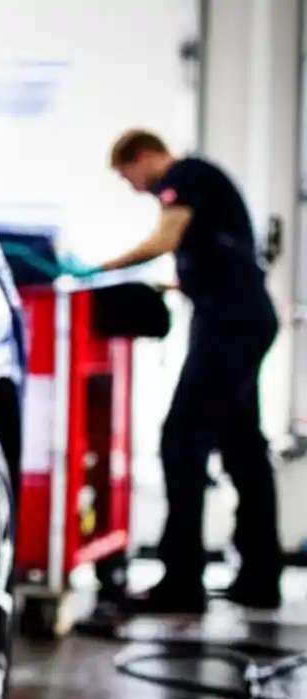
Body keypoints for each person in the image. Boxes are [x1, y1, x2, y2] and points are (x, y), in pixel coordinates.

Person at [64, 129, 283, 612]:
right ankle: (260, 578)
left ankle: (182, 582)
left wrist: (98, 270)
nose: (134, 187)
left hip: (229, 324)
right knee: (243, 446)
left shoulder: (184, 176)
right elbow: (211, 252)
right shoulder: (205, 179)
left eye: (130, 177)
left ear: (143, 157)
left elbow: (166, 237)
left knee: (181, 440)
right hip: (245, 318)